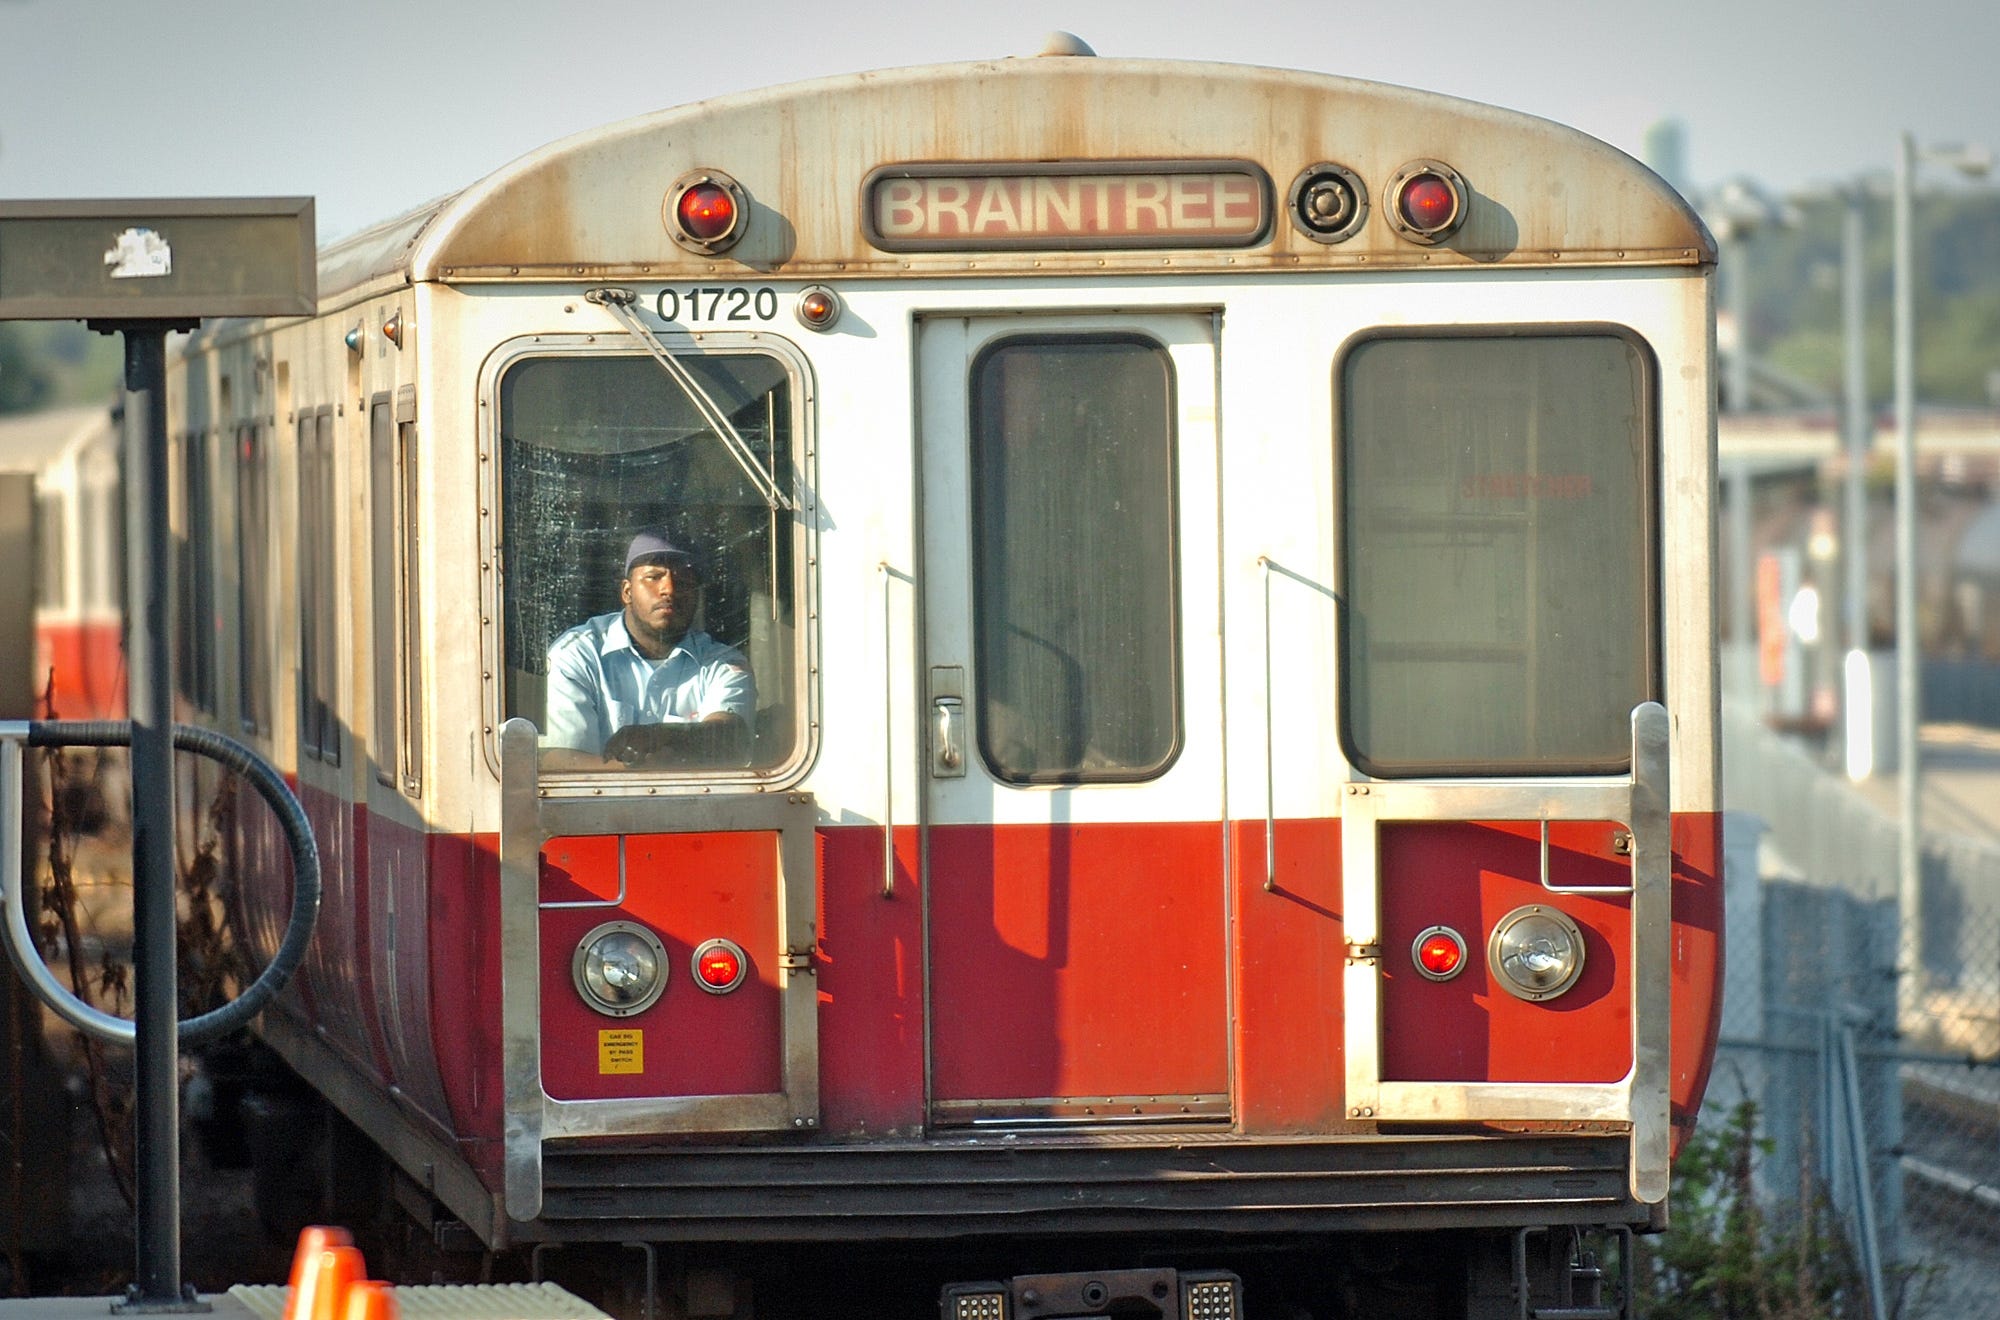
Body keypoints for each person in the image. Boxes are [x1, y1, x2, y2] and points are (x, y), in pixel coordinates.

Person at [540, 528, 755, 770]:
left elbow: (729, 736)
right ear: (627, 592)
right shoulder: (577, 654)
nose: (669, 590)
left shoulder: (723, 663)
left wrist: (660, 735)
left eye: (683, 581)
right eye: (654, 577)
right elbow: (558, 760)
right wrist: (644, 769)